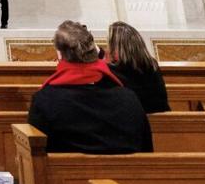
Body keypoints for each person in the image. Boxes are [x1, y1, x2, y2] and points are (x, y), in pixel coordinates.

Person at [29, 20, 152, 154]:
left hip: (69, 174)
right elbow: (147, 148)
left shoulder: (45, 100)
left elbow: (36, 154)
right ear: (94, 52)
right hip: (129, 174)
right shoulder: (129, 98)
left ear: (60, 55)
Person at [106, 21, 169, 113]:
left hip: (136, 122)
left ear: (115, 47)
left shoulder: (113, 71)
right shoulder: (151, 63)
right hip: (162, 116)